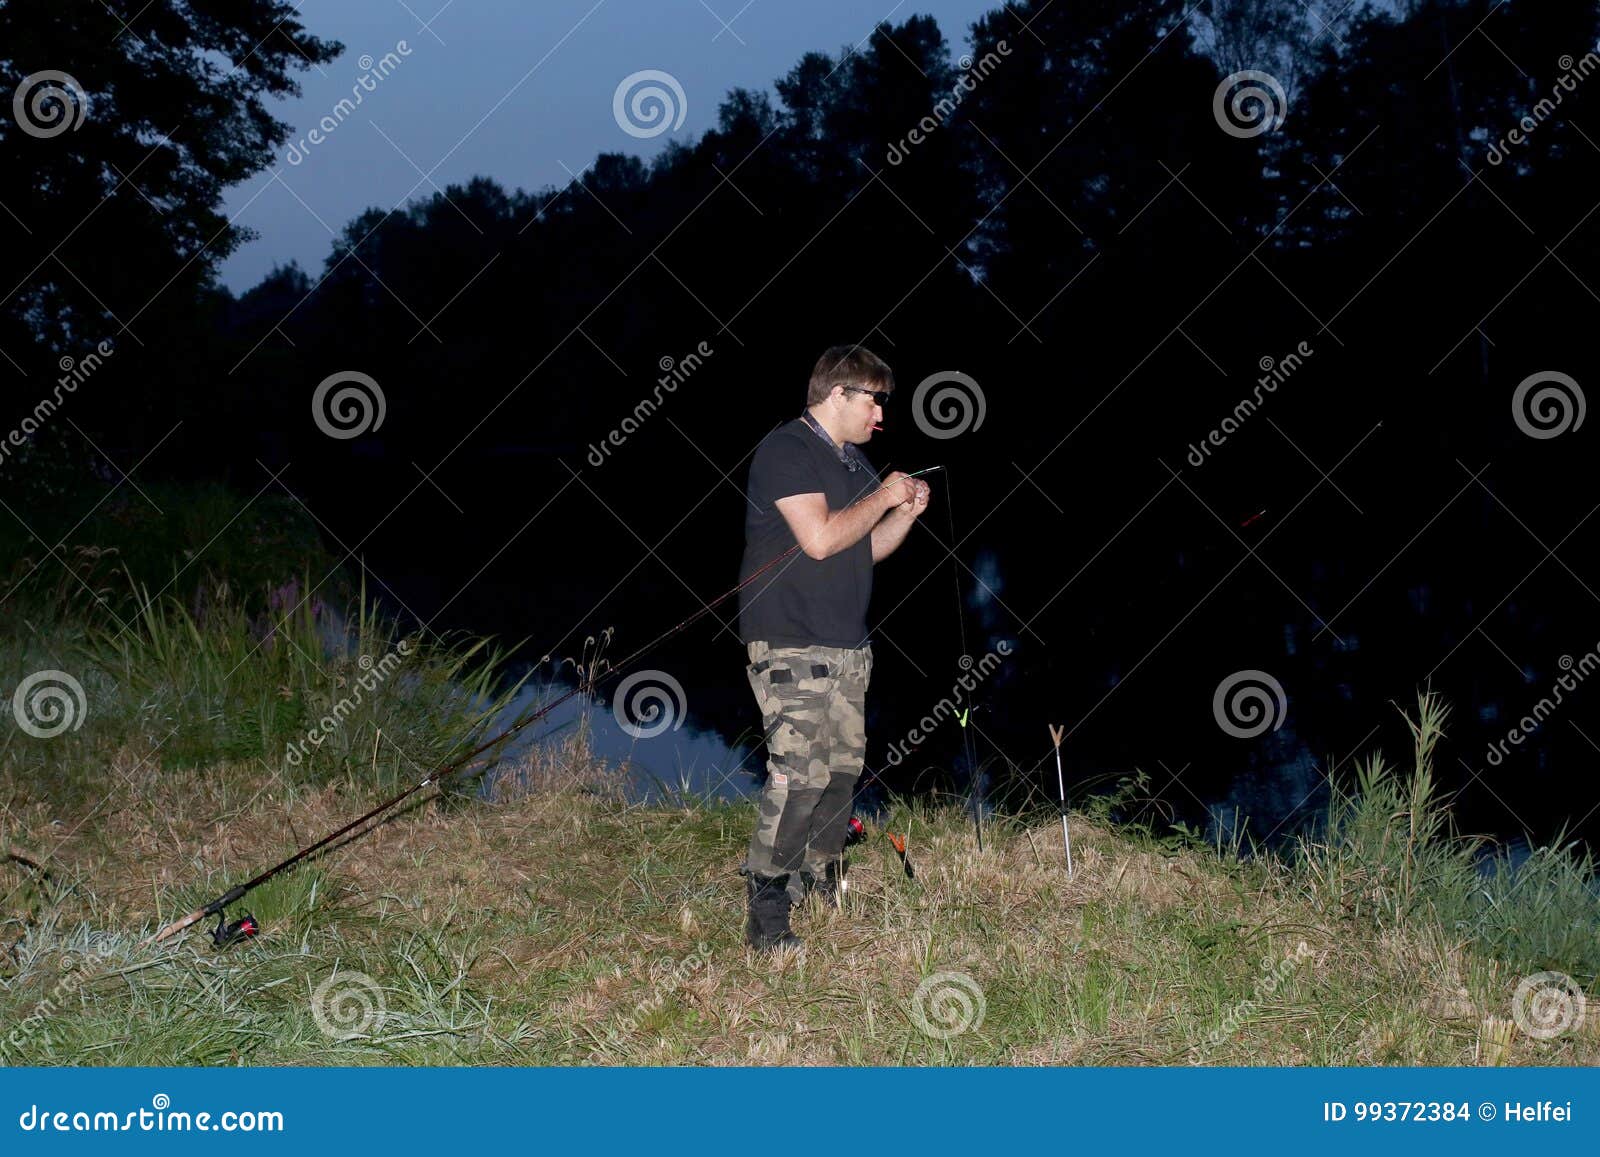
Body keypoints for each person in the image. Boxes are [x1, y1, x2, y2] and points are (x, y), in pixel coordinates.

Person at [736, 345, 932, 952]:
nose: (881, 414)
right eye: (874, 400)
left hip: (848, 644)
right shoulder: (787, 450)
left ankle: (820, 876)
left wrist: (904, 514)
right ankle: (768, 905)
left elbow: (862, 548)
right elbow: (820, 539)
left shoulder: (856, 464)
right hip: (790, 640)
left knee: (841, 773)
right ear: (838, 394)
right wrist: (883, 498)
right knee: (799, 775)